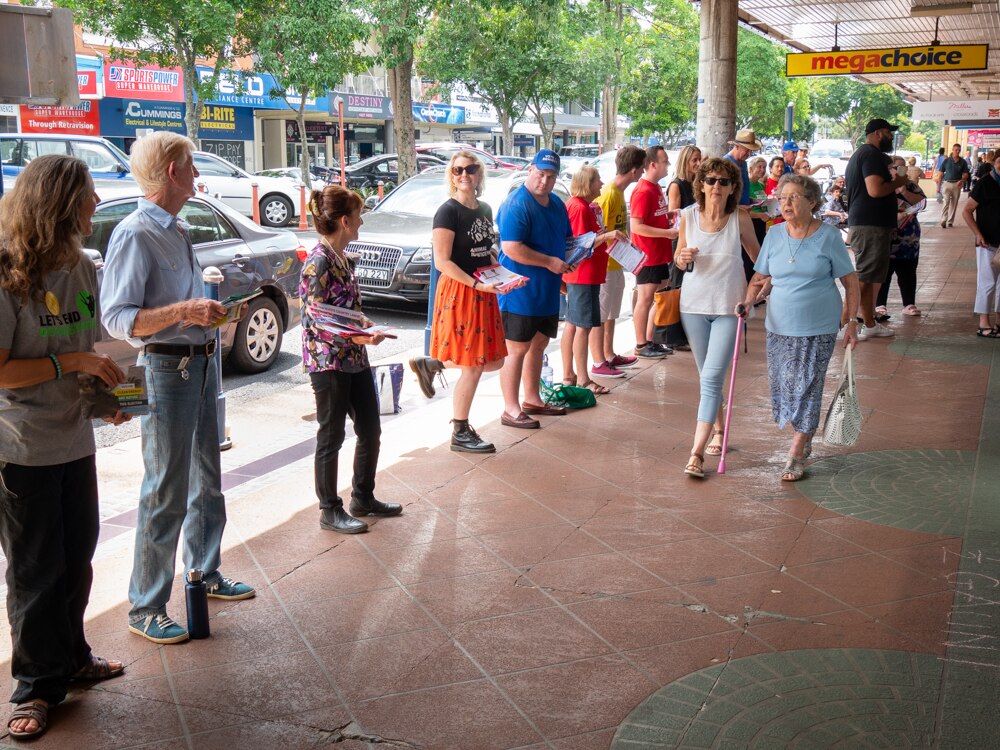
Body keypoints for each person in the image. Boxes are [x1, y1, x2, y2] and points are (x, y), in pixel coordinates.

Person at [101, 132, 255, 645]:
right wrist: (186, 312)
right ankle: (145, 604)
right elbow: (119, 318)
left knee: (207, 477)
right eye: (190, 165)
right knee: (165, 488)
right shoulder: (134, 233)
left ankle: (204, 571)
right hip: (168, 370)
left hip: (203, 362)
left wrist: (204, 313)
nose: (198, 175)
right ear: (171, 171)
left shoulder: (178, 228)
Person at [0, 155, 128, 739]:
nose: (96, 205)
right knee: (35, 572)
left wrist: (107, 398)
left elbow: (91, 350)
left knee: (77, 560)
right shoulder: (7, 272)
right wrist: (68, 361)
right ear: (59, 204)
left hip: (75, 439)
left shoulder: (82, 268)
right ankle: (33, 688)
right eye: (89, 195)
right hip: (21, 448)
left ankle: (73, 659)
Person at [741, 173, 860, 481]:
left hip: (819, 324)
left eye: (794, 197)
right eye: (782, 198)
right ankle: (803, 434)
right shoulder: (774, 235)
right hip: (779, 325)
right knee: (784, 384)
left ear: (812, 202)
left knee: (808, 383)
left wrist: (851, 323)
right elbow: (758, 277)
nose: (787, 203)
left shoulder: (829, 236)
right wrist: (748, 301)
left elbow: (850, 281)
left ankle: (798, 448)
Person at [301, 186, 402, 532]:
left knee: (370, 429)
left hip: (354, 357)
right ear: (345, 221)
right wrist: (361, 335)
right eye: (358, 216)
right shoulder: (318, 262)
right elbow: (318, 321)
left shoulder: (341, 256)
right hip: (328, 363)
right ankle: (330, 508)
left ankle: (363, 496)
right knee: (331, 435)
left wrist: (365, 323)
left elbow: (343, 310)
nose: (361, 222)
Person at [409, 152, 506, 452]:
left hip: (484, 289)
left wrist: (501, 273)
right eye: (457, 170)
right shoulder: (447, 212)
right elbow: (442, 262)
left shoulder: (485, 209)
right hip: (461, 291)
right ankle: (460, 431)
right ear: (451, 176)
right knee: (475, 364)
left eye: (470, 169)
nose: (464, 174)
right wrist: (477, 283)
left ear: (479, 173)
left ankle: (433, 364)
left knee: (494, 359)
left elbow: (484, 251)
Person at [672, 157, 761, 478]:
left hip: (729, 308)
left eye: (724, 182)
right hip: (692, 306)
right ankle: (720, 430)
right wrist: (681, 258)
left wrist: (755, 292)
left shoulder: (739, 218)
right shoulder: (688, 217)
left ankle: (695, 453)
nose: (716, 187)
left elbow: (759, 260)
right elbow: (680, 261)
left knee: (710, 379)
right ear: (701, 184)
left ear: (734, 188)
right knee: (707, 376)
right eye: (710, 180)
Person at [496, 149, 572, 429]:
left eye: (551, 177)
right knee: (516, 348)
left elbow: (566, 241)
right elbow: (512, 248)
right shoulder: (517, 204)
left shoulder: (557, 204)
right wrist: (549, 262)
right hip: (521, 291)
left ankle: (532, 398)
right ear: (530, 170)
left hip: (548, 289)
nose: (544, 181)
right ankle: (511, 407)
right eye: (540, 174)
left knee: (539, 344)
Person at [845, 118, 909, 340]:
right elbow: (874, 189)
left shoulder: (864, 154)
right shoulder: (872, 155)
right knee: (864, 277)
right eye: (889, 133)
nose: (892, 137)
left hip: (870, 224)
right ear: (879, 133)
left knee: (869, 276)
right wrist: (898, 181)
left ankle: (869, 324)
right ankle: (846, 324)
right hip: (870, 224)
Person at [559, 166, 622, 393]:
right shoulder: (578, 208)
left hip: (588, 275)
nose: (602, 183)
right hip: (582, 275)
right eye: (597, 180)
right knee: (581, 326)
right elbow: (579, 244)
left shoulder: (587, 207)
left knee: (575, 325)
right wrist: (608, 235)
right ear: (588, 183)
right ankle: (581, 378)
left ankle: (571, 375)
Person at [591, 145, 644, 377]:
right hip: (604, 264)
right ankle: (598, 360)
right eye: (641, 169)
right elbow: (596, 231)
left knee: (612, 313)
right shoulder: (609, 194)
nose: (642, 173)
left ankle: (609, 353)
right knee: (601, 315)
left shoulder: (620, 193)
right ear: (634, 170)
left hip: (617, 263)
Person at [630, 145, 677, 358]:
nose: (668, 165)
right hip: (647, 254)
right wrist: (666, 233)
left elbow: (653, 216)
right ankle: (641, 343)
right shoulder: (642, 190)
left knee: (658, 296)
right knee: (646, 297)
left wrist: (669, 216)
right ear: (652, 165)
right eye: (665, 161)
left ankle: (650, 339)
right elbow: (637, 226)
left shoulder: (656, 187)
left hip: (659, 252)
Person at [876, 160, 927, 319]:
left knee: (908, 270)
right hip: (886, 236)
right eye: (894, 167)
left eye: (900, 167)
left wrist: (903, 190)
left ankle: (909, 303)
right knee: (884, 272)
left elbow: (922, 203)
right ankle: (880, 304)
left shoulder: (910, 185)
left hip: (908, 236)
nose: (897, 170)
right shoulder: (879, 186)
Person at [664, 144, 703, 350]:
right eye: (693, 160)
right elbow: (674, 216)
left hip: (694, 239)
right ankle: (673, 336)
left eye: (699, 159)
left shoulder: (697, 184)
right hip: (680, 240)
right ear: (685, 161)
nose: (697, 163)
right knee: (677, 286)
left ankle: (686, 333)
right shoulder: (676, 185)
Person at [962, 153, 1000, 338]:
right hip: (987, 241)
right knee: (987, 282)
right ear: (994, 163)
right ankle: (983, 323)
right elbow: (967, 210)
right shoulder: (985, 183)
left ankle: (999, 321)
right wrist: (978, 234)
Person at [724, 129, 761, 210]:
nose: (749, 154)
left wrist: (751, 200)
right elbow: (723, 196)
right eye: (746, 150)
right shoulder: (725, 164)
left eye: (751, 151)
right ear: (736, 146)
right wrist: (739, 207)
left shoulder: (743, 163)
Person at [939, 143, 970, 228]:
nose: (957, 151)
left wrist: (962, 180)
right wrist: (938, 186)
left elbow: (966, 174)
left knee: (954, 203)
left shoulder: (963, 162)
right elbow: (941, 173)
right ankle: (943, 220)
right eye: (956, 150)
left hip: (957, 184)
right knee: (946, 202)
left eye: (959, 150)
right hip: (947, 183)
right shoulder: (946, 161)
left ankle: (950, 221)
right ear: (952, 150)